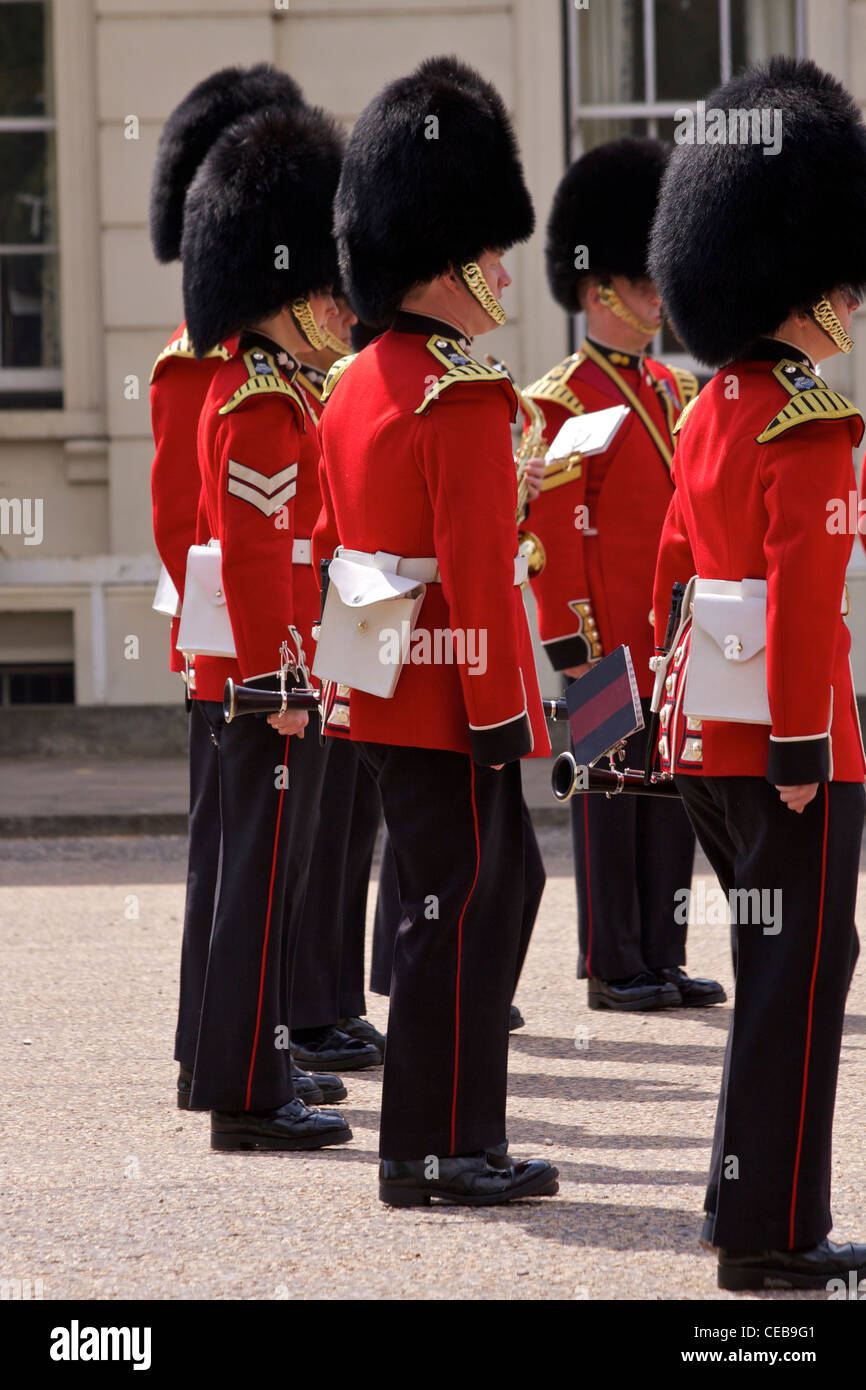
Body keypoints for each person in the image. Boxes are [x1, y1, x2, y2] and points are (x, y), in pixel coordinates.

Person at [313, 55, 558, 1207]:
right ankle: (442, 1152)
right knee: (462, 915)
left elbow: (335, 543)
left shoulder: (355, 384)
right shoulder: (458, 393)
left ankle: (439, 1143)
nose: (505, 271)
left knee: (441, 911)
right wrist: (510, 719)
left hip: (378, 684)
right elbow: (473, 576)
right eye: (492, 252)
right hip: (456, 704)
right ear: (446, 257)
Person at [650, 55, 866, 1290]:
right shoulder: (810, 419)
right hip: (789, 753)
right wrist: (797, 751)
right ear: (798, 278)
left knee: (764, 972)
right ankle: (776, 1238)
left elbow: (676, 575)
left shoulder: (706, 410)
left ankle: (740, 1207)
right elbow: (798, 607)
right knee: (795, 983)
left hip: (707, 742)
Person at [148, 66, 347, 1111]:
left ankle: (230, 1061)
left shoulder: (267, 387)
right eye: (321, 289)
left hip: (249, 662)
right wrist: (279, 679)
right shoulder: (255, 396)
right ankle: (244, 1083)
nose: (335, 309)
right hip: (252, 670)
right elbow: (247, 549)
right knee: (252, 886)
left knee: (246, 883)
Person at [522, 138, 723, 1013]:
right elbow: (553, 532)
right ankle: (614, 962)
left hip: (667, 634)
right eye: (644, 283)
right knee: (608, 796)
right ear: (600, 291)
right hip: (603, 637)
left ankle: (662, 952)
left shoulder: (676, 393)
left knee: (669, 791)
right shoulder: (560, 400)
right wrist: (574, 643)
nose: (657, 298)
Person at [288, 293, 385, 1071]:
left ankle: (334, 999)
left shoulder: (336, 383)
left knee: (352, 825)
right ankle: (305, 1012)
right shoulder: (225, 375)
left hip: (350, 612)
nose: (346, 316)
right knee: (316, 834)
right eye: (333, 301)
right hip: (304, 625)